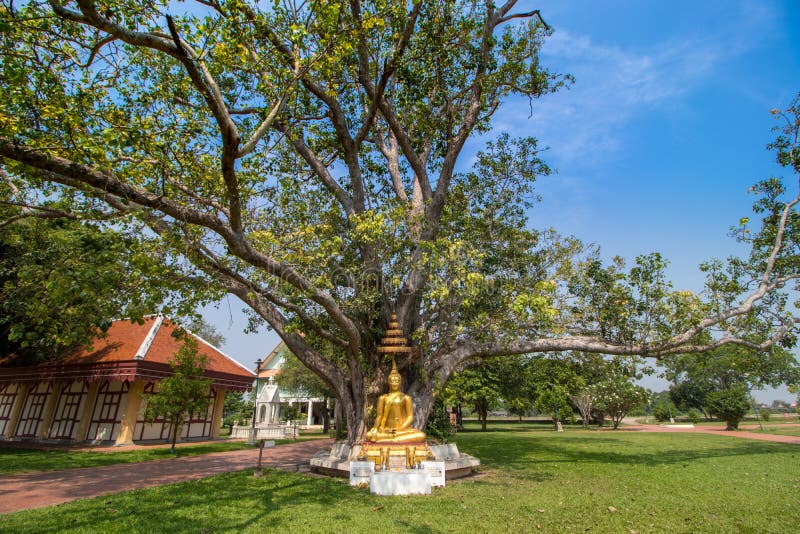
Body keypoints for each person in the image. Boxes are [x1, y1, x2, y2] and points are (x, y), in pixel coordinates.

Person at [365, 367, 426, 443]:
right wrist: (375, 428)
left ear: (400, 382)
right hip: (386, 430)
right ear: (389, 383)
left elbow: (410, 417)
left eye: (397, 381)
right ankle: (393, 440)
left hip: (402, 431)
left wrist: (401, 428)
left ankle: (388, 441)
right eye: (393, 381)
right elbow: (379, 416)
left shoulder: (406, 398)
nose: (395, 383)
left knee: (421, 435)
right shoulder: (383, 398)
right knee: (369, 435)